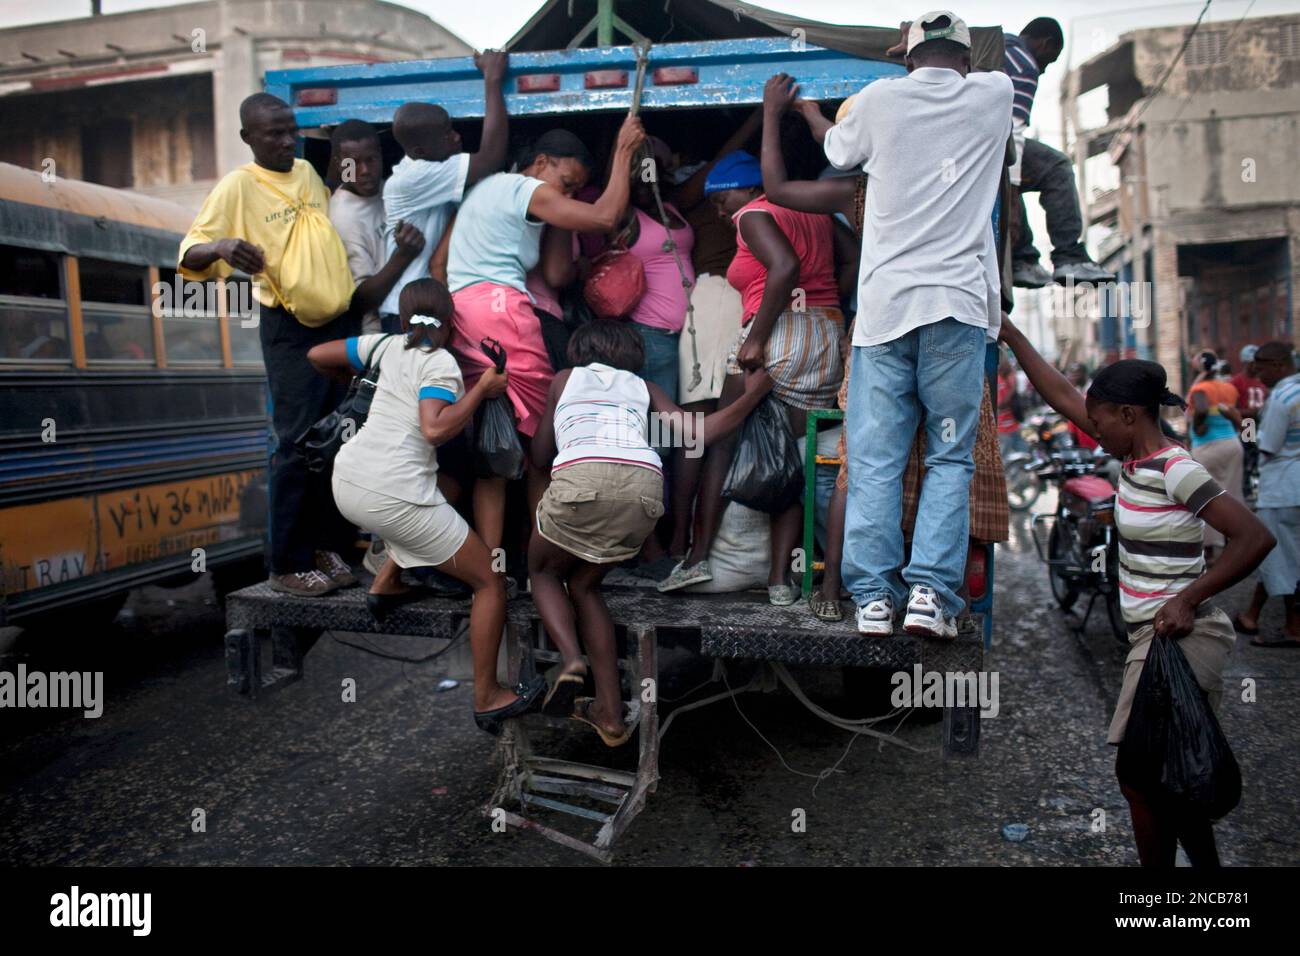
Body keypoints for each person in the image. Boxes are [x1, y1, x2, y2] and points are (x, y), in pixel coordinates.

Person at [1000, 313, 1273, 867]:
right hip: (1155, 638)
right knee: (1173, 773)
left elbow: (1253, 537)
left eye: (1100, 423)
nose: (1092, 431)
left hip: (1179, 639)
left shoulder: (1175, 467)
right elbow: (1062, 396)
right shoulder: (1132, 455)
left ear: (1129, 414)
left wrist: (1187, 597)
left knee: (1138, 776)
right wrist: (1009, 334)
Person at [802, 11, 1012, 638]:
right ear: (967, 60)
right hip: (955, 312)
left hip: (886, 313)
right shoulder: (994, 95)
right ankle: (928, 595)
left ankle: (872, 599)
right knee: (949, 459)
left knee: (871, 461)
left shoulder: (878, 101)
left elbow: (839, 151)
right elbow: (974, 72)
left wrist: (818, 113)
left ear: (906, 56)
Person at [306, 278, 545, 733]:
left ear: (403, 316)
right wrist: (481, 392)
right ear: (452, 324)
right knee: (489, 584)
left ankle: (386, 580)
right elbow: (435, 430)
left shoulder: (383, 346)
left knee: (449, 486)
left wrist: (358, 383)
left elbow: (317, 356)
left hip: (349, 481)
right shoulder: (440, 365)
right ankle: (488, 695)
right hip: (393, 494)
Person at [530, 322, 773, 744]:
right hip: (644, 489)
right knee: (585, 586)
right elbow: (701, 434)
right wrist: (754, 393)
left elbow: (539, 453)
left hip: (583, 479)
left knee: (544, 572)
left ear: (580, 350)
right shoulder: (643, 387)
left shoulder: (565, 379)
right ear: (633, 355)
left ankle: (571, 661)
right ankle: (609, 712)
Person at [444, 114, 647, 564]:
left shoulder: (488, 191)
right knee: (541, 442)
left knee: (495, 445)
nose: (566, 195)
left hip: (467, 315)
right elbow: (605, 216)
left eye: (574, 190)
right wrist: (624, 150)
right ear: (539, 162)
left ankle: (495, 563)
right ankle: (543, 561)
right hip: (502, 313)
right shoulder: (525, 189)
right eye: (567, 181)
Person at [180, 92, 358, 597]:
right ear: (247, 139)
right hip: (289, 328)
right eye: (273, 134)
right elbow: (190, 253)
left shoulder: (305, 173)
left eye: (290, 130)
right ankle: (286, 563)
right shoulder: (238, 186)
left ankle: (327, 547)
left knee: (336, 440)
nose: (285, 141)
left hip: (335, 323)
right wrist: (221, 246)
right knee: (297, 443)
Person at [656, 148, 846, 606]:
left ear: (747, 188)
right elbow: (853, 260)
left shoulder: (754, 213)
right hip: (826, 334)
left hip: (778, 330)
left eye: (721, 199)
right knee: (789, 453)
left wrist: (757, 337)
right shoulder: (817, 212)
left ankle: (699, 554)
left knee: (721, 441)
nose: (719, 212)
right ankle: (780, 580)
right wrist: (826, 306)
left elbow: (784, 267)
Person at [378, 50, 510, 332]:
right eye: (446, 134)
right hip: (406, 312)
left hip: (418, 304)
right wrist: (492, 79)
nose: (457, 136)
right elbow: (491, 158)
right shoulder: (415, 177)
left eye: (452, 128)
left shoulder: (426, 167)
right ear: (419, 151)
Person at [327, 120, 428, 334]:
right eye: (353, 163)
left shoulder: (390, 190)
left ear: (381, 155)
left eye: (371, 160)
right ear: (339, 164)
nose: (364, 170)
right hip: (378, 333)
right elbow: (360, 300)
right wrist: (404, 255)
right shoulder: (342, 215)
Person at [1233, 341, 1300, 646]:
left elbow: (1265, 445)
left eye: (1260, 364)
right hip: (1293, 486)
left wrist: (1240, 421)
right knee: (1286, 555)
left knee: (1280, 556)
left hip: (1281, 487)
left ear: (1278, 365)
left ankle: (1293, 627)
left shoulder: (1280, 398)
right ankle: (1252, 615)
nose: (1256, 371)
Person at [1186, 350, 1245, 562]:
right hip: (1232, 443)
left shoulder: (1201, 388)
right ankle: (1235, 541)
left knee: (1207, 499)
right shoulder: (1229, 387)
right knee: (1232, 495)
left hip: (1208, 446)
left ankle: (1210, 549)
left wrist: (1199, 425)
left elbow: (1201, 408)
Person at [1230, 343, 1268, 496]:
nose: (1256, 366)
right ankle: (1247, 490)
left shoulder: (1263, 380)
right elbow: (1230, 408)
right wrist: (1249, 412)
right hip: (1247, 424)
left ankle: (1259, 487)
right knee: (1248, 456)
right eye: (1253, 363)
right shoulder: (1236, 382)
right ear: (1246, 363)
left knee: (1261, 456)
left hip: (1263, 424)